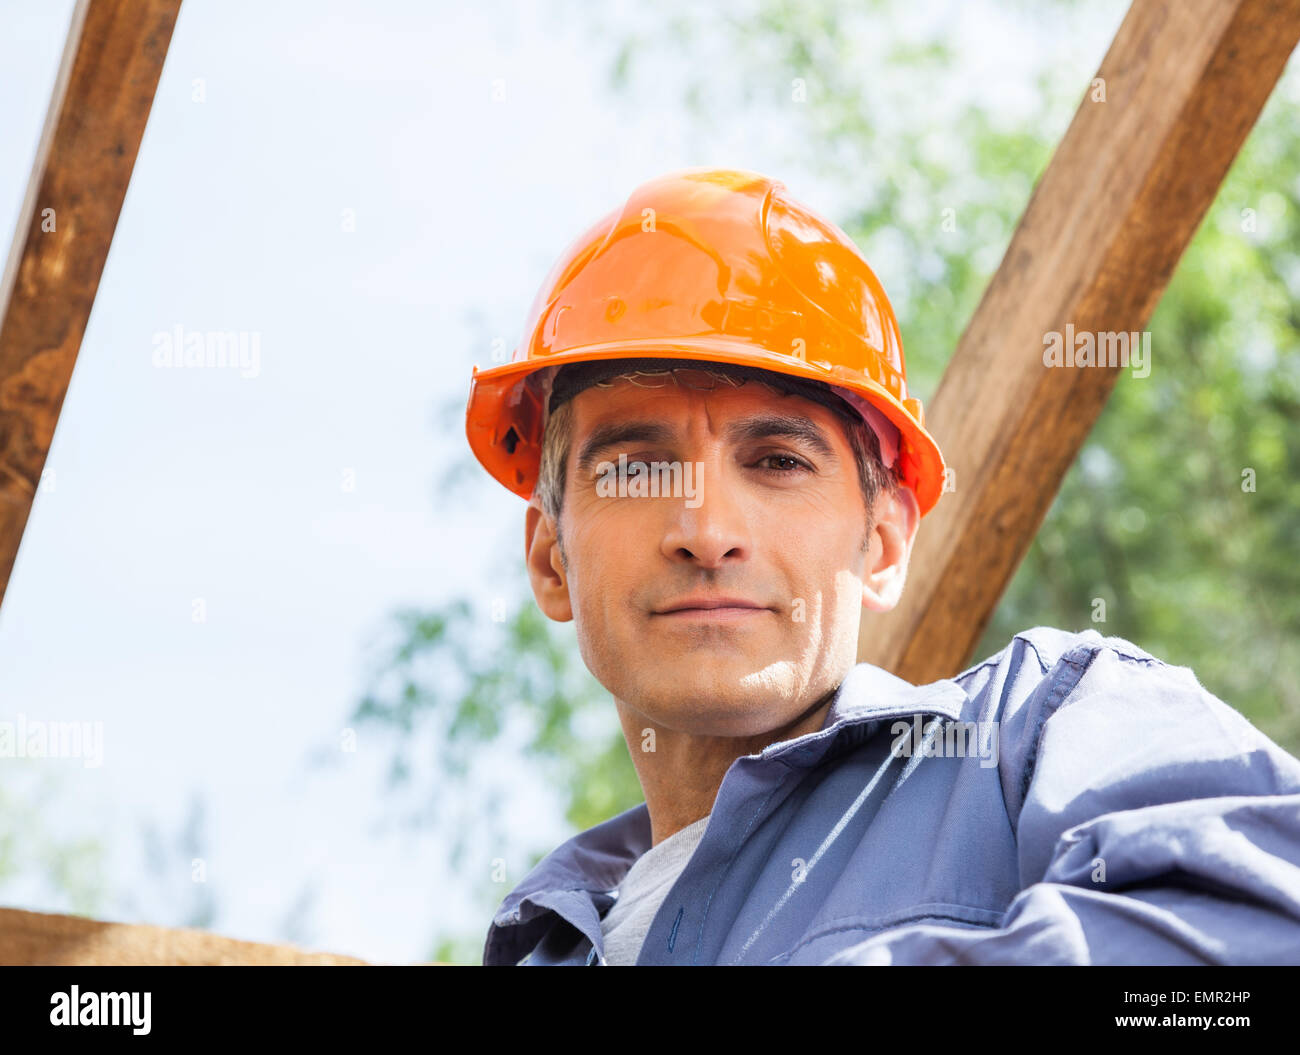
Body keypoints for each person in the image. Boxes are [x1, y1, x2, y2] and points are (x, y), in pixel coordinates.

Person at [464, 167, 1300, 965]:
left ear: (885, 541)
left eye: (779, 461)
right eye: (639, 467)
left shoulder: (1040, 731)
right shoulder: (550, 939)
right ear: (550, 559)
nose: (707, 529)